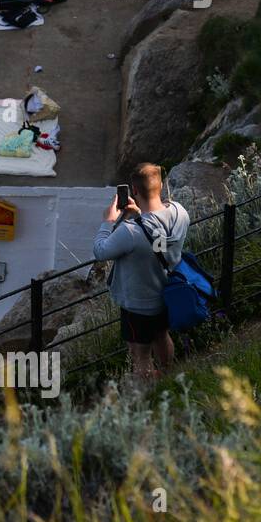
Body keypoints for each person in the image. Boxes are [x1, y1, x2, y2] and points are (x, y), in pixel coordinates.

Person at [92, 163, 190, 384]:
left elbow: (100, 251)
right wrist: (137, 216)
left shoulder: (130, 232)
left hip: (138, 304)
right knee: (162, 336)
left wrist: (108, 221)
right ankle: (167, 375)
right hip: (166, 293)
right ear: (161, 185)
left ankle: (146, 394)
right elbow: (156, 241)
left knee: (140, 354)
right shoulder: (179, 212)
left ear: (134, 191)